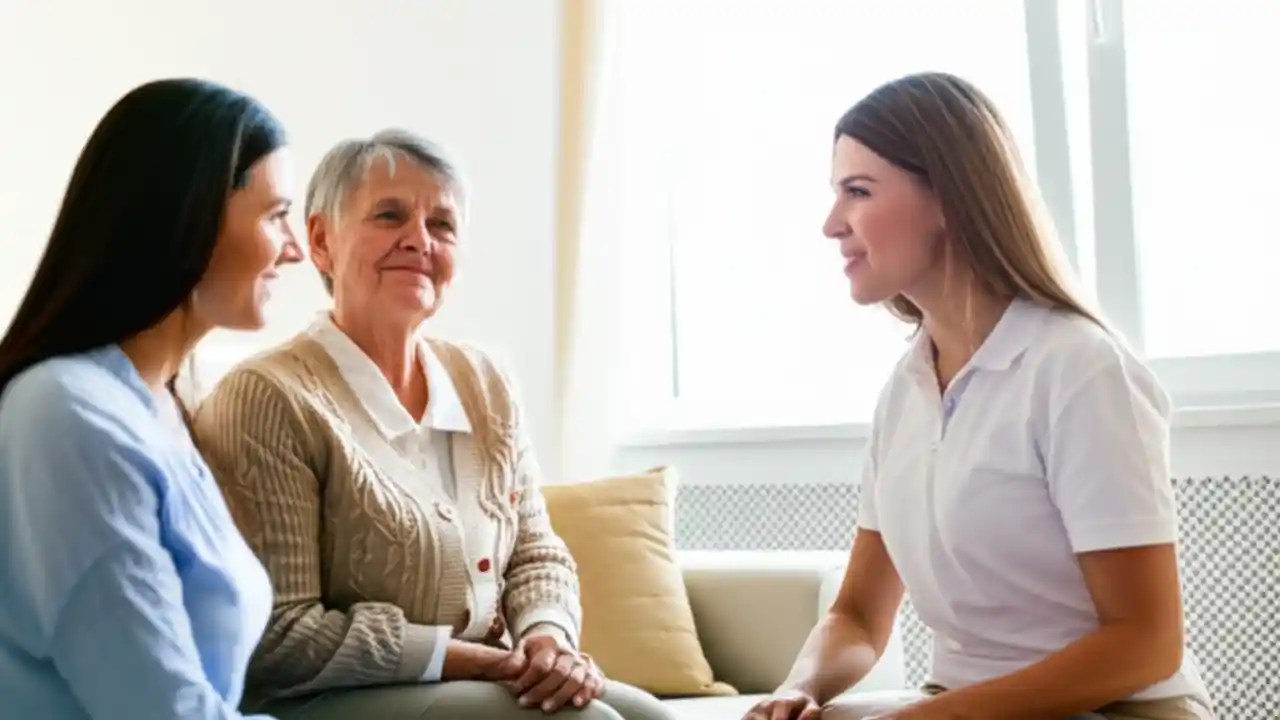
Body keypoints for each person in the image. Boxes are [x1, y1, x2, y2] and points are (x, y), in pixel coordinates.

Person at [744, 73, 1215, 720]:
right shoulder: (904, 393)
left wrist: (933, 718)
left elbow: (1145, 644)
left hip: (1118, 709)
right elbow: (857, 615)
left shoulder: (1078, 370)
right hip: (961, 704)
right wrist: (801, 687)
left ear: (948, 197)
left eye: (857, 191)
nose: (831, 224)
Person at [193, 130, 671, 720]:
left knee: (656, 717)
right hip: (322, 700)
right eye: (389, 215)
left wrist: (548, 640)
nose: (419, 241)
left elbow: (535, 550)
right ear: (320, 241)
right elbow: (280, 637)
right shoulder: (268, 397)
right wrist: (472, 659)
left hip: (478, 680)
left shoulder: (485, 381)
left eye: (442, 225)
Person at [0, 78, 304, 720]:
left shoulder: (157, 406)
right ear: (187, 215)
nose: (296, 250)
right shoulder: (69, 415)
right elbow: (160, 708)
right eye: (277, 215)